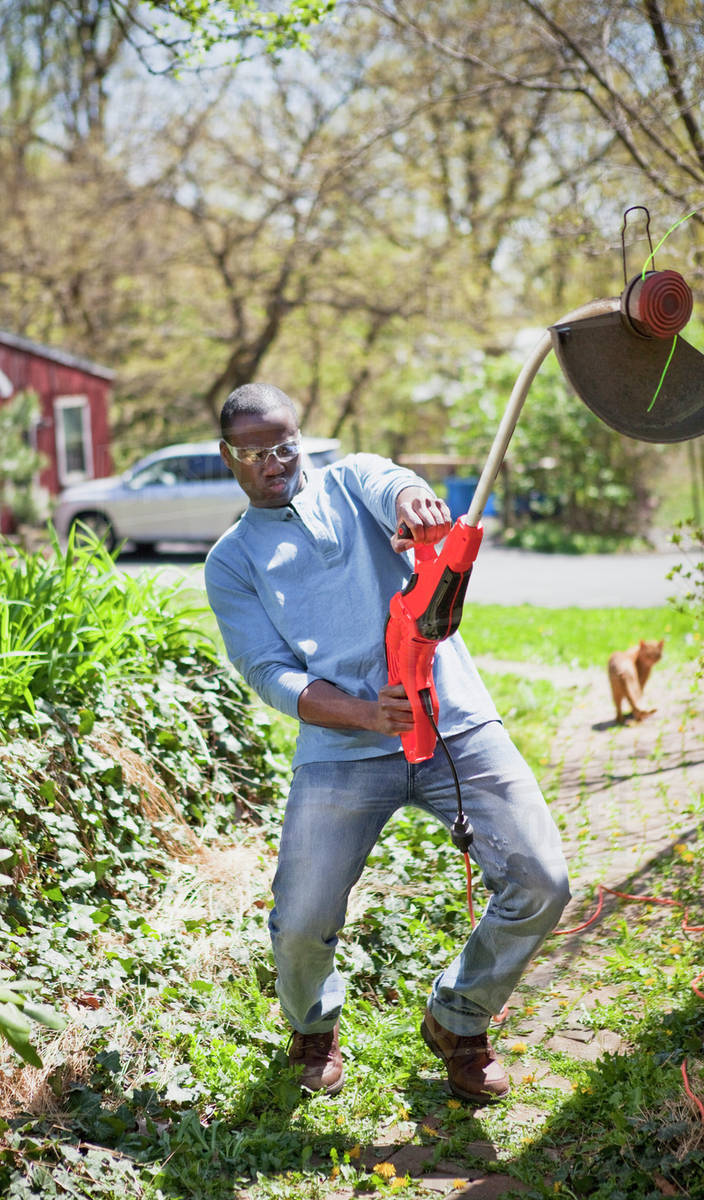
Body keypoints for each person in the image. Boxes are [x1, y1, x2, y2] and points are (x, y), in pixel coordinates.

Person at [204, 382, 570, 1103]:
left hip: (453, 721)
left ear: (300, 438)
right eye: (255, 454)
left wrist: (415, 502)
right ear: (229, 458)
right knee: (301, 918)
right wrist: (364, 715)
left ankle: (459, 1021)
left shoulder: (351, 482)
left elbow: (389, 482)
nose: (274, 463)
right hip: (341, 751)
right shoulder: (232, 561)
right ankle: (312, 1028)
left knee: (542, 881)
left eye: (285, 446)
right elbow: (268, 674)